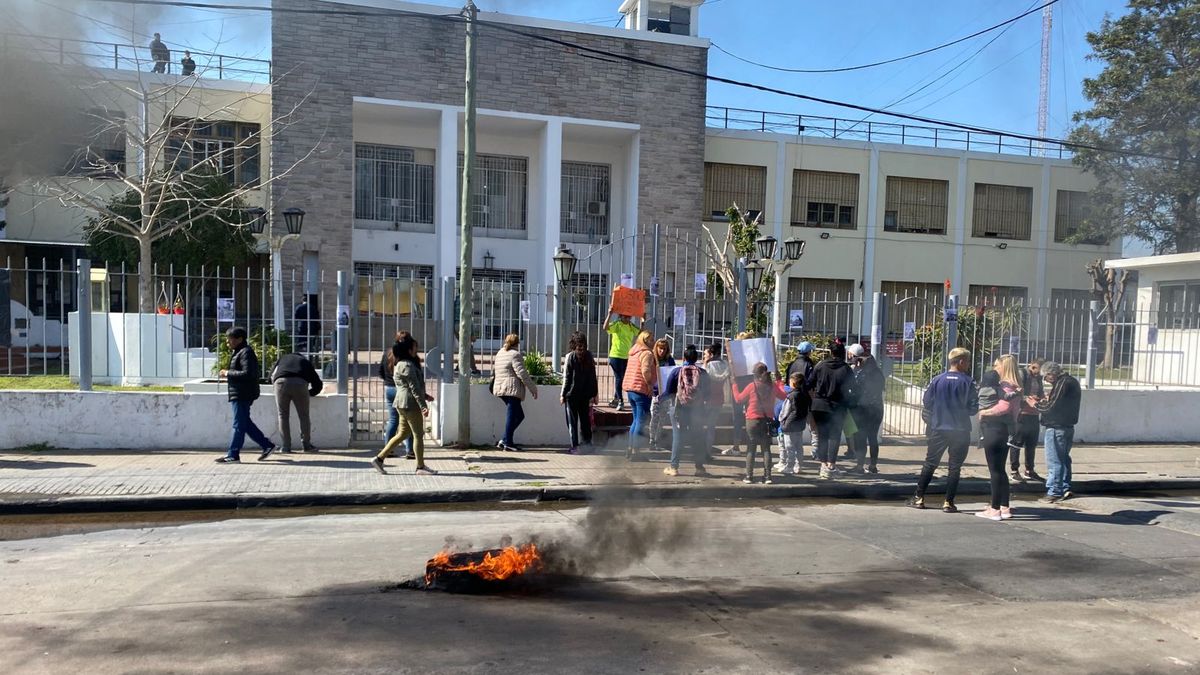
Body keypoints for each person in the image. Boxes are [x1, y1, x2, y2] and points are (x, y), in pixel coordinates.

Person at [906, 347, 979, 513]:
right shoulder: (969, 382)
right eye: (967, 361)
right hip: (960, 430)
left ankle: (919, 498)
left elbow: (927, 402)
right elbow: (973, 408)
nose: (968, 365)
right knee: (954, 467)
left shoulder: (937, 379)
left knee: (930, 463)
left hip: (938, 428)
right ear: (961, 362)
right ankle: (948, 502)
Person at [372, 336, 435, 475]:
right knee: (418, 434)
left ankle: (379, 459)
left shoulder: (399, 364)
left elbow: (408, 386)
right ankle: (420, 467)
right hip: (410, 404)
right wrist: (423, 405)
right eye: (414, 347)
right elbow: (414, 387)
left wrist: (425, 396)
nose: (416, 350)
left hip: (401, 403)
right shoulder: (407, 365)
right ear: (408, 350)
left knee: (402, 434)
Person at [216, 326, 276, 463]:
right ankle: (267, 445)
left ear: (239, 339)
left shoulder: (246, 353)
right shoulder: (239, 352)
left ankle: (233, 454)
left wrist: (227, 373)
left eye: (230, 339)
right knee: (244, 423)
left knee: (238, 425)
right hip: (240, 392)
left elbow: (248, 373)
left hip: (243, 393)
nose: (227, 342)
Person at [976, 354, 1024, 521]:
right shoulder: (1015, 385)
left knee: (994, 470)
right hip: (1004, 430)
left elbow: (1003, 407)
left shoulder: (1005, 386)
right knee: (1000, 470)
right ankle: (1004, 506)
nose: (995, 369)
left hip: (994, 428)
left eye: (997, 365)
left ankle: (995, 508)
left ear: (1004, 367)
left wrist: (984, 412)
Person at [661, 344, 711, 478]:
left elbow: (669, 391)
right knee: (697, 437)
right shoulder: (703, 373)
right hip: (697, 410)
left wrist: (660, 398)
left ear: (684, 358)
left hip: (679, 408)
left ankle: (674, 467)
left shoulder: (677, 371)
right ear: (697, 358)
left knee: (678, 437)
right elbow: (707, 393)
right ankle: (699, 468)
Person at [732, 362, 786, 484]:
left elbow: (739, 399)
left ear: (754, 374)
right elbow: (784, 396)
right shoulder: (772, 386)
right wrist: (779, 381)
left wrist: (734, 384)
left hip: (752, 420)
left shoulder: (752, 386)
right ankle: (768, 477)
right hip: (767, 421)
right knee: (766, 449)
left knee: (751, 449)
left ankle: (749, 476)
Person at [1036, 361, 1081, 503]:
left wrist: (1036, 404)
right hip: (1067, 426)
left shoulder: (1063, 383)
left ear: (1051, 374)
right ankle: (1065, 486)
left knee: (1055, 460)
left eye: (1045, 377)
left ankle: (1054, 490)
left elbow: (1051, 407)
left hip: (1057, 426)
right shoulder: (1071, 381)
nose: (1045, 380)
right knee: (1064, 458)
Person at [810, 343, 856, 479]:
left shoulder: (820, 366)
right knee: (834, 436)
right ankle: (831, 465)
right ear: (842, 353)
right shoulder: (846, 369)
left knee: (822, 436)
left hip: (819, 405)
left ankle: (823, 465)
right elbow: (854, 388)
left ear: (831, 352)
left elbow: (809, 383)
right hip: (837, 407)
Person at [270, 350, 323, 454]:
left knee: (283, 415)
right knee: (304, 416)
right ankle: (307, 446)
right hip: (300, 383)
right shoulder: (305, 362)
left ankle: (286, 447)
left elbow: (271, 375)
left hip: (280, 383)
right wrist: (309, 393)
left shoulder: (282, 359)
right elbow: (318, 384)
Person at [492, 333, 538, 452]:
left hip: (500, 388)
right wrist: (533, 388)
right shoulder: (515, 355)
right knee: (512, 416)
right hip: (511, 389)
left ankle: (504, 440)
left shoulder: (500, 353)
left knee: (519, 415)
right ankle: (508, 443)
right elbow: (522, 374)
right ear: (517, 343)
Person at [847, 344, 885, 474]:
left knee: (860, 437)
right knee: (873, 437)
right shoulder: (877, 371)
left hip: (862, 409)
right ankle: (873, 465)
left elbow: (855, 389)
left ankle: (859, 466)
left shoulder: (859, 372)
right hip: (877, 408)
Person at [560, 331, 598, 454]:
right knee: (585, 420)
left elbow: (567, 377)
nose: (581, 349)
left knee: (572, 422)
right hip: (585, 394)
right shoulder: (589, 356)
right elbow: (593, 377)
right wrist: (594, 394)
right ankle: (588, 445)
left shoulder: (570, 356)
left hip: (572, 395)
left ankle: (574, 446)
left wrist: (562, 394)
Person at [621, 329, 656, 461]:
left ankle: (630, 448)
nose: (653, 342)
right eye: (651, 340)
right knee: (641, 421)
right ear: (645, 341)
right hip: (641, 390)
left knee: (635, 420)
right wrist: (650, 385)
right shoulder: (646, 353)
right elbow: (646, 371)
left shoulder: (634, 352)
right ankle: (636, 452)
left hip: (631, 390)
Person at [1011, 358, 1046, 482]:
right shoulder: (1023, 374)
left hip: (1034, 414)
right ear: (1031, 365)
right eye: (1034, 368)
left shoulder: (1039, 378)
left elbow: (1041, 392)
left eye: (1040, 370)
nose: (1036, 372)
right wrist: (1028, 398)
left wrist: (1042, 398)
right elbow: (1016, 392)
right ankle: (1014, 470)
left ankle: (1029, 470)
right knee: (1017, 443)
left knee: (1031, 444)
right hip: (1022, 413)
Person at [603, 308, 641, 410]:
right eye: (625, 316)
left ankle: (616, 399)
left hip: (626, 356)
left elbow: (640, 333)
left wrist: (642, 319)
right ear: (621, 316)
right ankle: (621, 401)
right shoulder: (617, 324)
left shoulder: (630, 326)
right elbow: (605, 327)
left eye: (629, 316)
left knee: (622, 379)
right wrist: (610, 314)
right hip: (615, 356)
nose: (627, 318)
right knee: (619, 378)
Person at [787, 342, 819, 460]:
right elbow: (812, 383)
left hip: (793, 399)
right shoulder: (809, 365)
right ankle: (815, 450)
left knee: (796, 428)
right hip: (807, 399)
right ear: (808, 352)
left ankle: (793, 455)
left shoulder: (792, 364)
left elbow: (787, 382)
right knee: (813, 427)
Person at [701, 343, 730, 461]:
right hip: (719, 397)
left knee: (701, 425)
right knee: (711, 427)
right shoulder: (725, 365)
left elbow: (702, 377)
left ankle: (701, 451)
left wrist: (705, 362)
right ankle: (708, 451)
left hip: (707, 398)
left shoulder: (708, 365)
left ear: (711, 353)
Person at [778, 371, 811, 475]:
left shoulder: (791, 396)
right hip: (800, 423)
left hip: (790, 424)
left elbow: (785, 411)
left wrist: (781, 420)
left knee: (789, 447)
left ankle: (789, 466)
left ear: (793, 383)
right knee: (798, 446)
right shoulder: (805, 395)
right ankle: (799, 466)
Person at [647, 338, 676, 452]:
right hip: (655, 394)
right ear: (656, 348)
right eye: (660, 348)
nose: (662, 351)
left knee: (662, 419)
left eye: (664, 349)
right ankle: (651, 440)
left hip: (666, 394)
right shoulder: (653, 359)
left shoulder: (670, 360)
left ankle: (656, 440)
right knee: (654, 418)